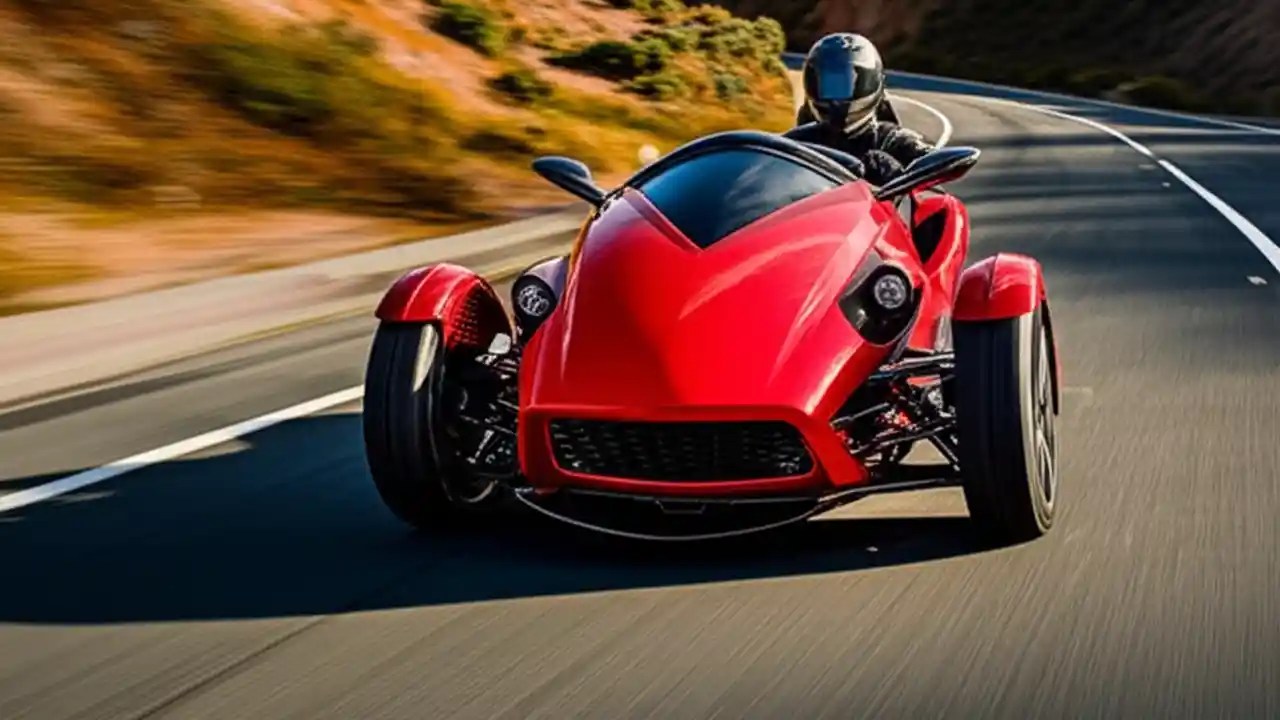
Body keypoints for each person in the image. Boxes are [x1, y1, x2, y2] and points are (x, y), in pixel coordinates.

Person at [784, 33, 934, 185]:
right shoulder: (795, 144)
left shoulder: (896, 142)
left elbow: (937, 193)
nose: (836, 95)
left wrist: (899, 178)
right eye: (830, 84)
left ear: (870, 81)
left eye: (845, 83)